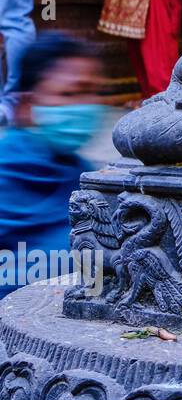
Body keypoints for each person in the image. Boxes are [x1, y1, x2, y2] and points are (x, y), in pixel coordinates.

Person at [0, 33, 106, 300]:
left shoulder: (82, 176)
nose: (86, 105)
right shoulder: (7, 175)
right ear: (27, 105)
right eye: (69, 93)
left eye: (93, 92)